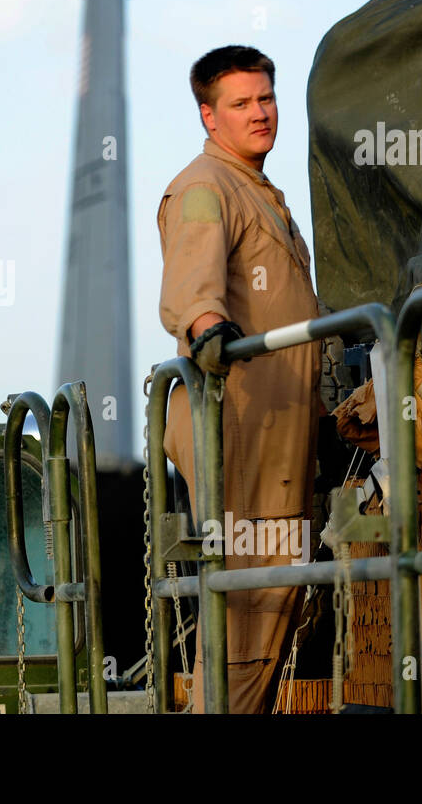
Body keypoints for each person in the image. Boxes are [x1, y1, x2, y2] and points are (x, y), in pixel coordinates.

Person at [156, 45, 322, 713]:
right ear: (208, 114)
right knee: (251, 602)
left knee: (273, 593)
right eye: (241, 103)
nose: (260, 113)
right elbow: (194, 286)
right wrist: (206, 328)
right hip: (243, 423)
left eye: (266, 98)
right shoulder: (206, 186)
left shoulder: (259, 191)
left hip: (281, 425)